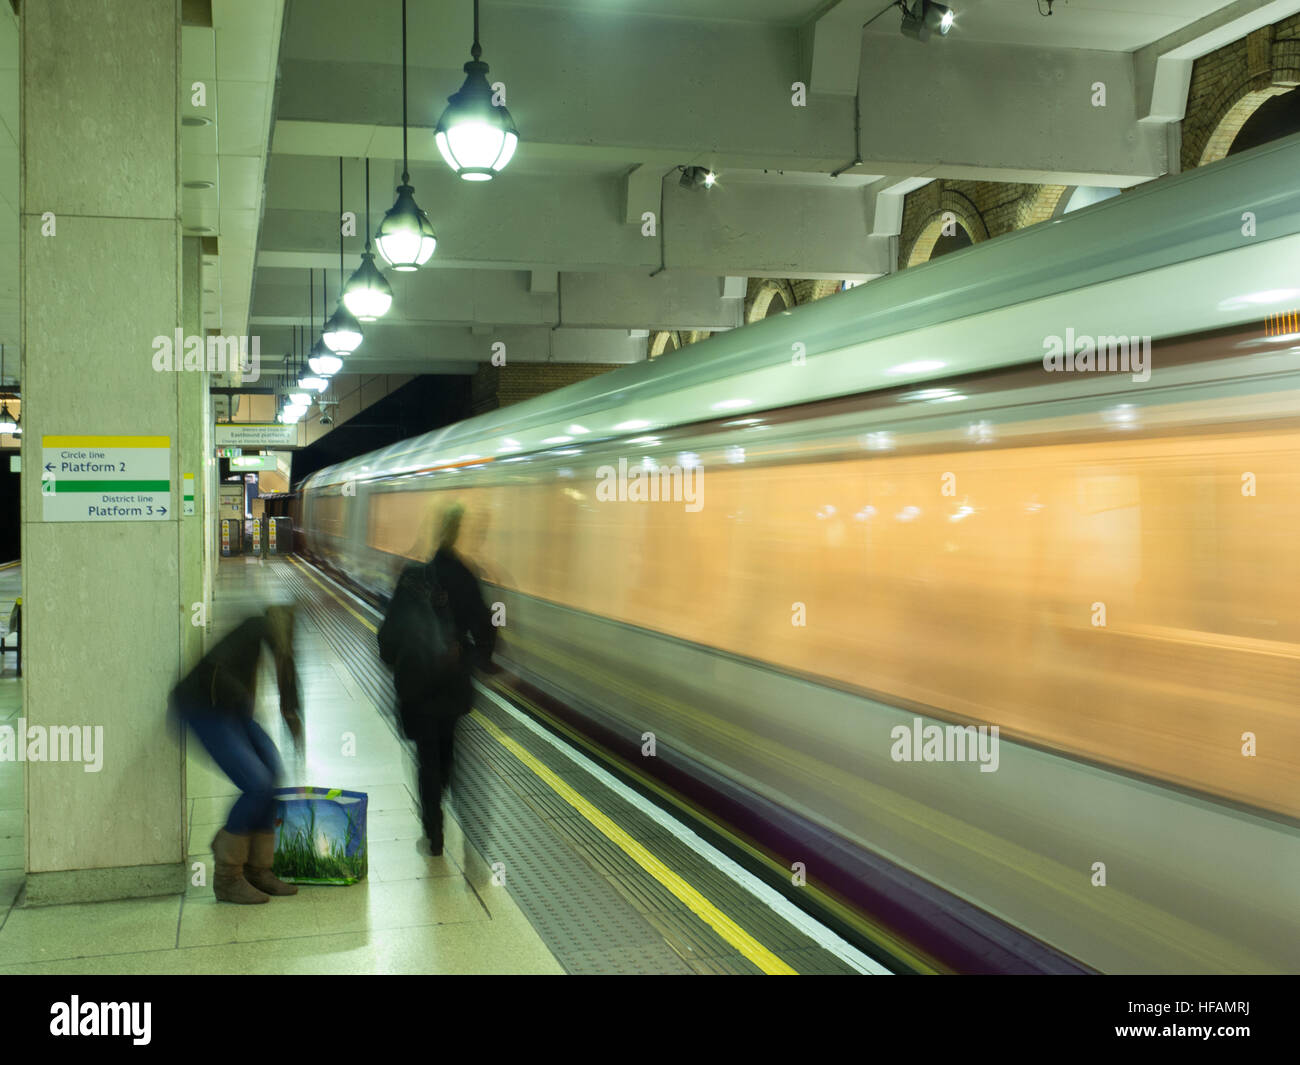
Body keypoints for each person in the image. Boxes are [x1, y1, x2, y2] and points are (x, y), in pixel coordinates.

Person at [382, 504, 496, 855]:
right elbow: (486, 631)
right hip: (451, 686)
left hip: (417, 687)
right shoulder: (466, 576)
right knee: (446, 751)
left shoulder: (412, 577)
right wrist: (475, 661)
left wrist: (397, 663)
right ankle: (448, 797)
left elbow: (388, 634)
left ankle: (433, 831)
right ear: (460, 532)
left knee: (426, 758)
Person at [170, 604, 303, 904]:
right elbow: (214, 672)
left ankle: (259, 869)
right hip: (203, 708)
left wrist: (292, 716)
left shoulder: (270, 634)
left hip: (232, 708)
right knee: (257, 785)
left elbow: (288, 671)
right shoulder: (255, 628)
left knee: (273, 775)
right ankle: (228, 877)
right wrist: (246, 701)